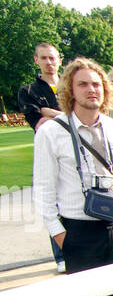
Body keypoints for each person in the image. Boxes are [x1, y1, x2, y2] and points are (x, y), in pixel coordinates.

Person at [32, 58, 113, 296]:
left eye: (97, 83)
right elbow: (42, 188)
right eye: (83, 84)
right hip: (79, 232)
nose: (92, 89)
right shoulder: (52, 132)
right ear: (70, 90)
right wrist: (61, 236)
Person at [19, 42, 65, 268]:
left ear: (60, 60)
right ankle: (62, 256)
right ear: (36, 60)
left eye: (52, 58)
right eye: (44, 58)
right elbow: (38, 122)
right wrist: (67, 115)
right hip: (50, 152)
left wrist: (51, 113)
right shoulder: (29, 91)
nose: (49, 62)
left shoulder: (71, 86)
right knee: (54, 206)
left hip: (77, 152)